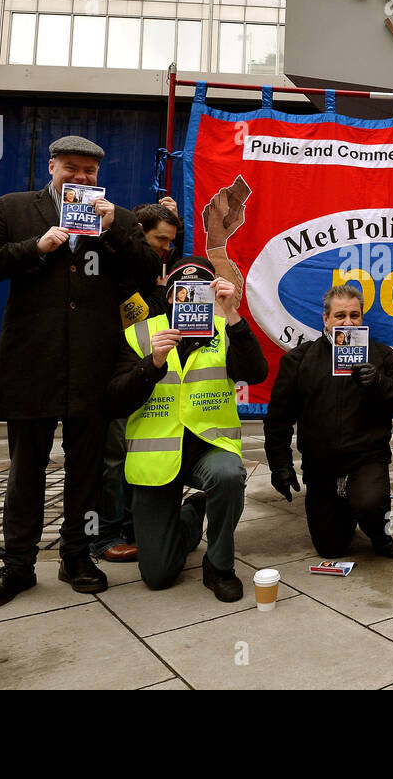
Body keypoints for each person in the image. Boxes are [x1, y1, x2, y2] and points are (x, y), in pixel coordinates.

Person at [0, 135, 152, 610]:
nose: (81, 177)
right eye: (71, 167)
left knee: (86, 471)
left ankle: (77, 555)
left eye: (89, 170)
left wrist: (113, 232)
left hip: (94, 365)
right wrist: (38, 246)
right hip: (32, 361)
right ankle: (17, 563)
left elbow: (151, 271)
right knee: (26, 468)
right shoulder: (13, 208)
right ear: (51, 166)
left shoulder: (120, 218)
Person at [106, 256, 267, 600]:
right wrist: (152, 364)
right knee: (157, 575)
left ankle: (219, 566)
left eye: (202, 291)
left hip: (209, 447)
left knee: (228, 475)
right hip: (157, 459)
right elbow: (115, 401)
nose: (191, 299)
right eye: (183, 290)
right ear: (169, 296)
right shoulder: (139, 335)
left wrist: (233, 314)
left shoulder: (224, 330)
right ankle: (193, 514)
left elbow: (256, 373)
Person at [264, 285, 393, 559]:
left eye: (355, 315)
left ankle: (379, 532)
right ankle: (346, 509)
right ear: (325, 319)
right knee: (330, 548)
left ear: (362, 318)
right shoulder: (299, 360)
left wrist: (380, 383)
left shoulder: (381, 356)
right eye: (340, 315)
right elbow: (278, 419)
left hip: (367, 458)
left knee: (370, 504)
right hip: (320, 465)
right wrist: (280, 465)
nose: (348, 322)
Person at [92, 199, 183, 563]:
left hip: (146, 374)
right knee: (112, 457)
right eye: (160, 240)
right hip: (113, 373)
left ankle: (132, 526)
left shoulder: (156, 271)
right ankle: (105, 535)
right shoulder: (118, 264)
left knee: (133, 453)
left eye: (171, 242)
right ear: (138, 235)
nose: (166, 248)